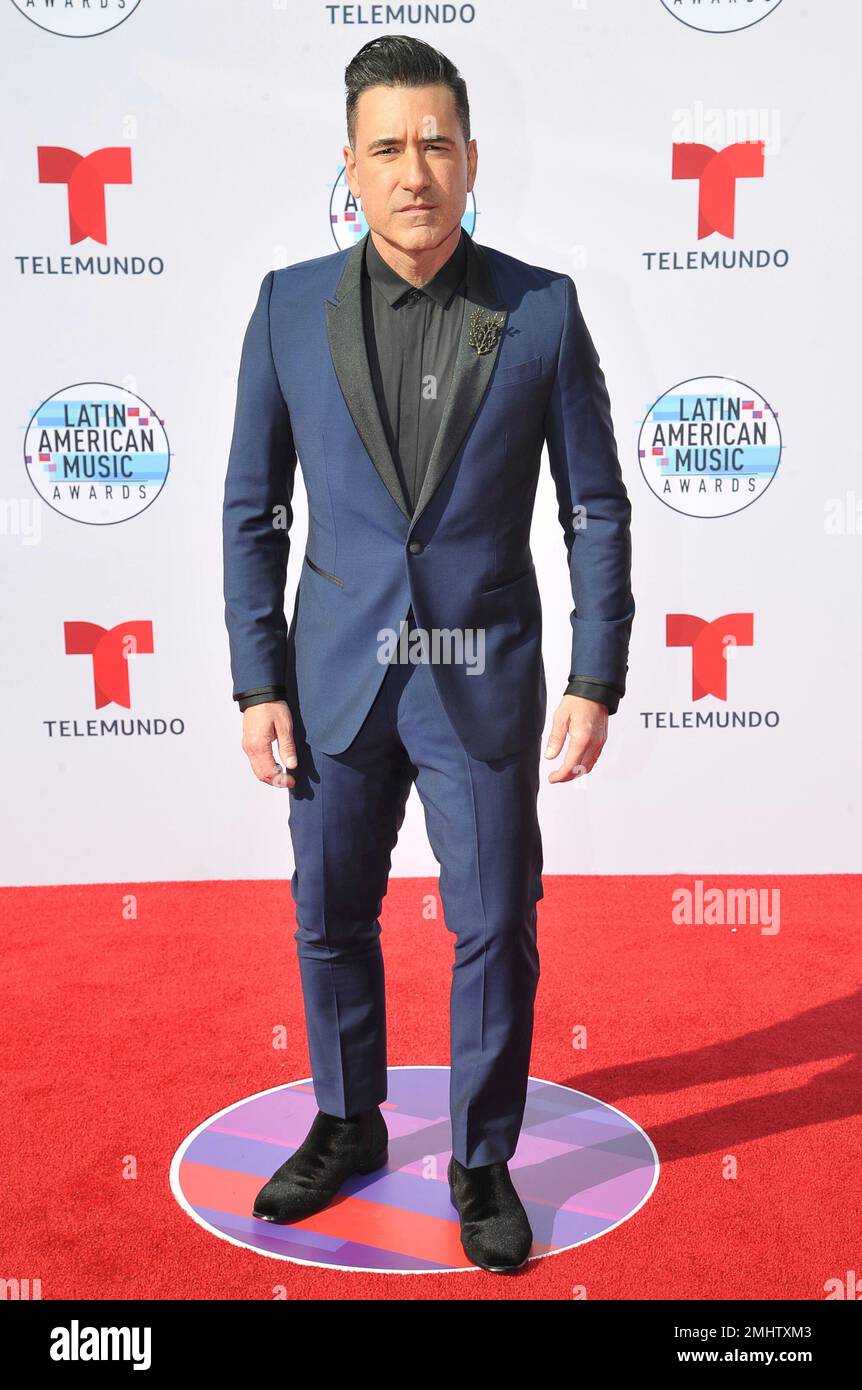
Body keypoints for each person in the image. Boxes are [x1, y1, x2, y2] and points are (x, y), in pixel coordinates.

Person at [222, 34, 634, 1273]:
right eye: (388, 148)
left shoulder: (540, 308)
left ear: (471, 158)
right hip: (335, 675)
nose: (415, 172)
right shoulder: (288, 303)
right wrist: (256, 680)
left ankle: (480, 1158)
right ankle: (345, 1122)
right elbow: (254, 505)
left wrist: (593, 671)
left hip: (481, 675)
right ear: (349, 165)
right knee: (330, 915)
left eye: (436, 144)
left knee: (493, 919)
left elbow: (594, 507)